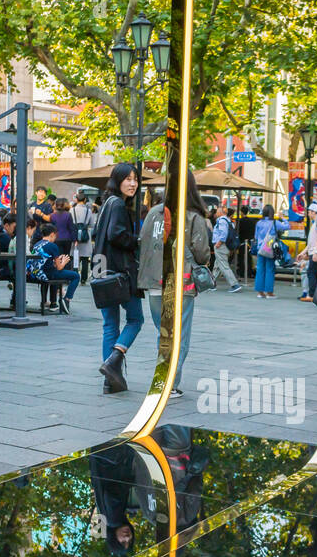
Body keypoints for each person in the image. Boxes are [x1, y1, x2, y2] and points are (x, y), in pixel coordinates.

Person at [140, 172, 211, 397]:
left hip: (154, 282)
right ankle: (169, 384)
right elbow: (201, 254)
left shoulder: (154, 213)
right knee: (178, 336)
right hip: (181, 283)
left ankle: (161, 379)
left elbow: (143, 244)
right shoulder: (193, 218)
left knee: (163, 334)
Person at [95, 163, 143, 393]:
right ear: (118, 180)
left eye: (135, 179)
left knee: (110, 325)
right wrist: (136, 240)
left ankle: (110, 380)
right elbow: (116, 235)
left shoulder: (107, 204)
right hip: (119, 272)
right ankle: (115, 360)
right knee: (136, 319)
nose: (133, 183)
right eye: (128, 179)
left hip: (102, 271)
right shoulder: (117, 205)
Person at [30, 221, 79, 314]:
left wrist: (57, 260)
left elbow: (44, 260)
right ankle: (67, 299)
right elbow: (59, 267)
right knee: (76, 276)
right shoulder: (53, 246)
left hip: (37, 273)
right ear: (52, 234)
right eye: (55, 236)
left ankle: (45, 302)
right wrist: (64, 261)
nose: (56, 238)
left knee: (55, 274)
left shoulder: (37, 245)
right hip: (48, 274)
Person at [251, 205, 291, 298]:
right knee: (270, 269)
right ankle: (269, 292)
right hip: (269, 248)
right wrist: (283, 218)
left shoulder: (259, 223)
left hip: (260, 249)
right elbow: (287, 227)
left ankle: (260, 292)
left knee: (260, 269)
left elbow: (256, 237)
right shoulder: (274, 223)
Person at [211, 202, 242, 293]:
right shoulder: (229, 221)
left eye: (217, 212)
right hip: (226, 247)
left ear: (221, 212)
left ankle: (234, 284)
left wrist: (218, 243)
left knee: (224, 266)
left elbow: (223, 234)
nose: (216, 213)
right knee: (218, 266)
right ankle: (211, 283)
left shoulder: (221, 221)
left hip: (221, 246)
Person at [70, 191, 95, 292]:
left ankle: (74, 276)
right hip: (85, 235)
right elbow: (91, 224)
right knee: (85, 258)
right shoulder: (88, 211)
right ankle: (83, 279)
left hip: (74, 234)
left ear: (76, 199)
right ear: (85, 200)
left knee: (74, 257)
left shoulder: (72, 210)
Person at [300, 202, 317, 299]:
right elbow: (310, 243)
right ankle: (314, 294)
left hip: (316, 253)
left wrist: (316, 252)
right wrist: (303, 252)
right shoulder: (315, 224)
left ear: (314, 212)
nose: (308, 213)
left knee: (311, 273)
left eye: (309, 211)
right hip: (314, 252)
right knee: (313, 273)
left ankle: (312, 295)